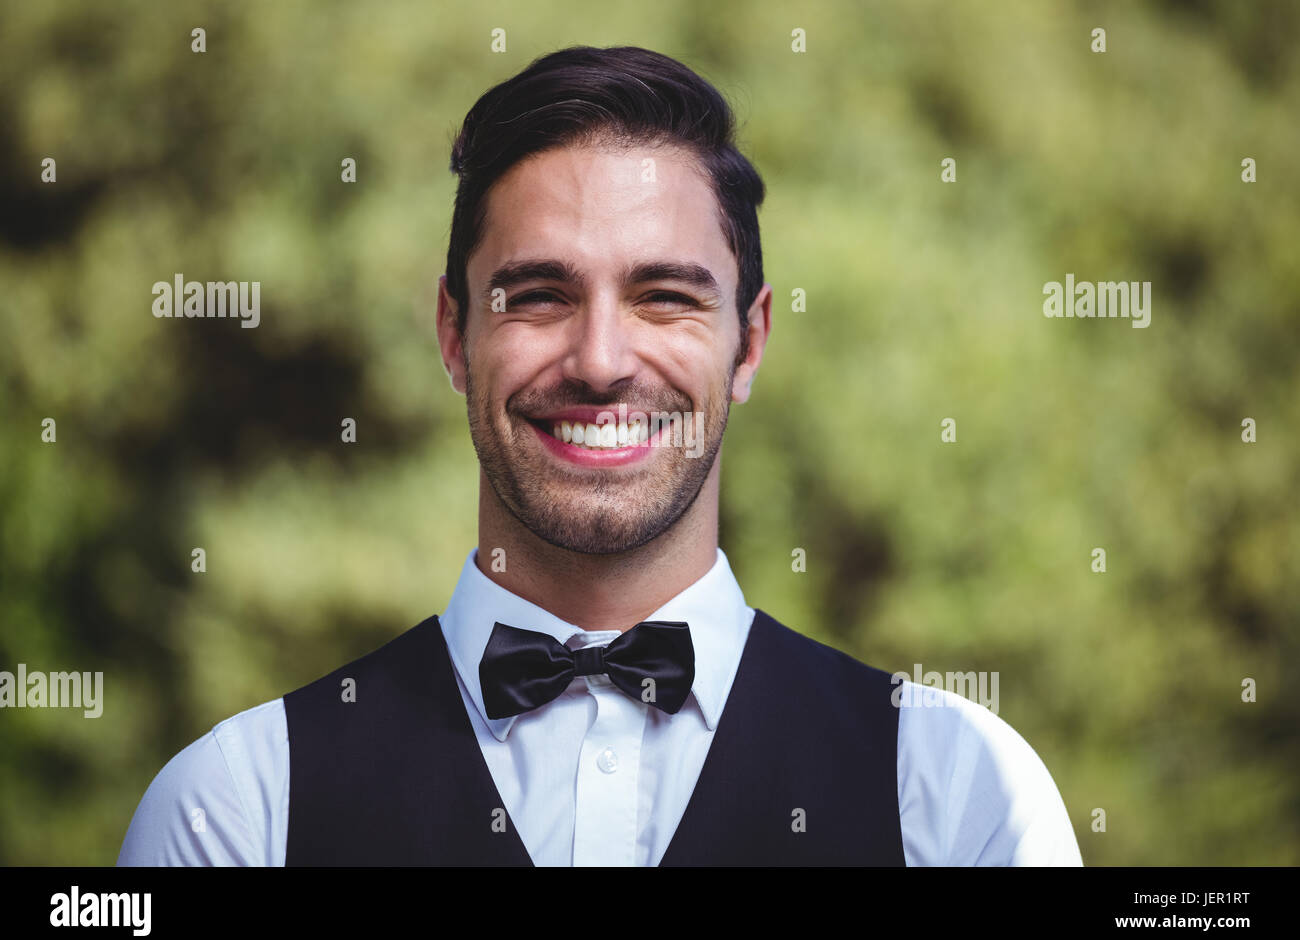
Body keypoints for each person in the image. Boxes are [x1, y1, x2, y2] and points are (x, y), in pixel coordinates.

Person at [118, 44, 1082, 866]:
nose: (602, 362)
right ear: (455, 336)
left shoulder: (959, 800)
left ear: (747, 345)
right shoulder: (239, 810)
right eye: (538, 294)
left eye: (666, 295)